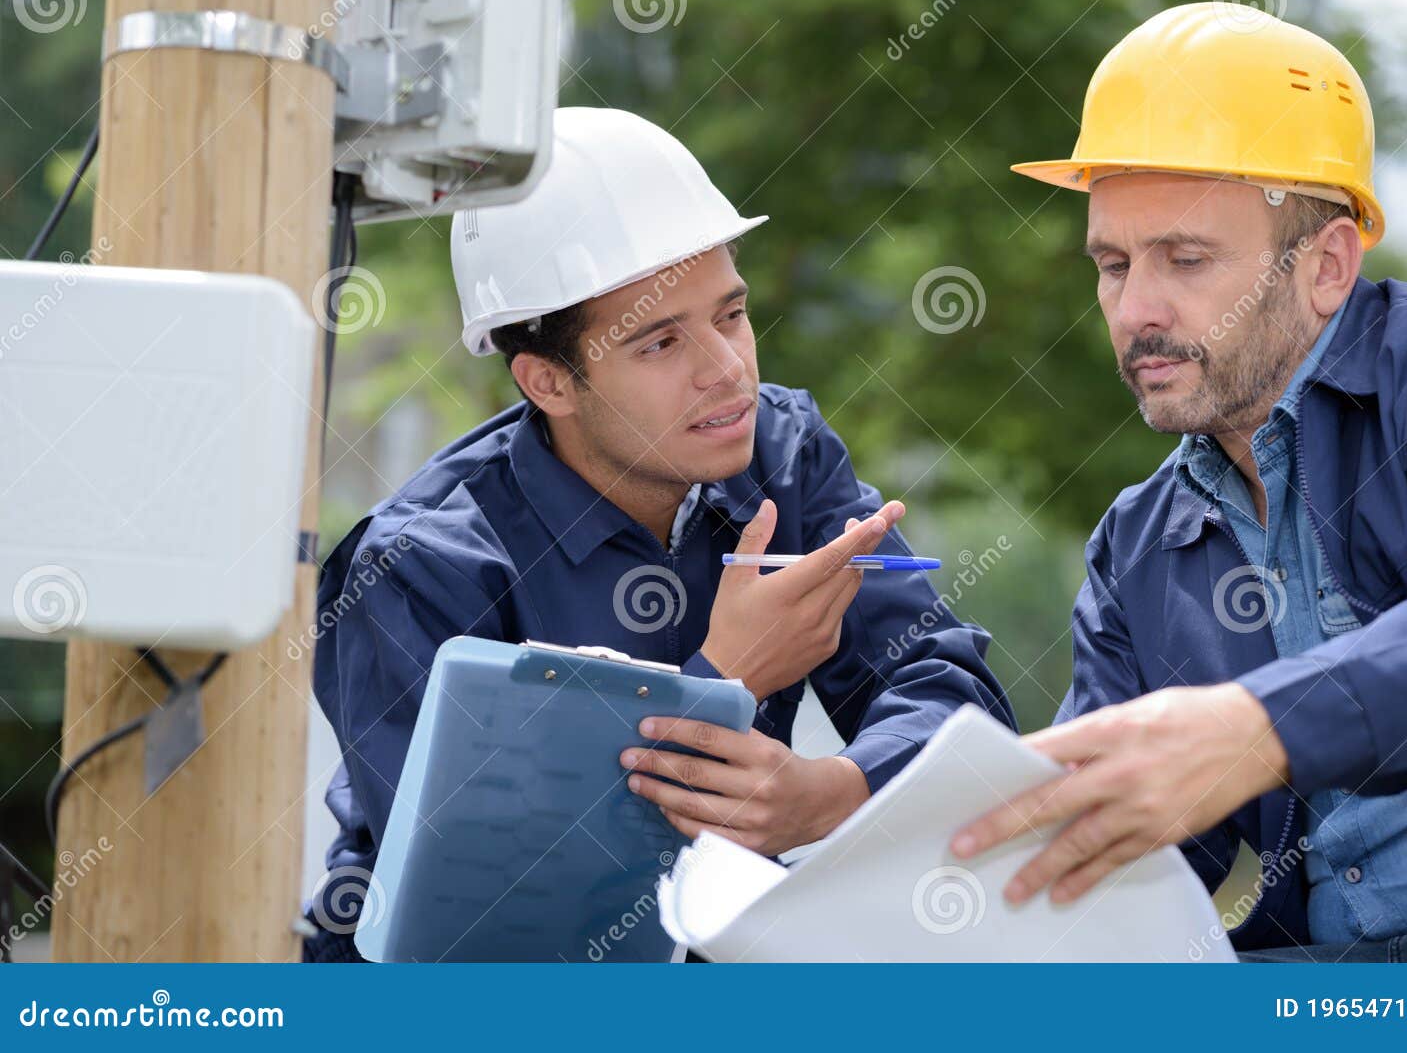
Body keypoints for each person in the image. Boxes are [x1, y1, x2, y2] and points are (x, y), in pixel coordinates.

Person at [954, 2, 1407, 961]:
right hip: (1319, 990)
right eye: (1113, 264)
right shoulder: (1141, 546)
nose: (1136, 310)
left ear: (1328, 264)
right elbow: (1103, 855)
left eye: (1186, 259)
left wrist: (1262, 728)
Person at [302, 107, 1014, 959]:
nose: (727, 370)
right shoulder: (414, 570)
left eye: (731, 314)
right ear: (549, 383)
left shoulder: (783, 457)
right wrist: (724, 679)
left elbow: (959, 704)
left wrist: (831, 793)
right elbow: (491, 905)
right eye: (660, 342)